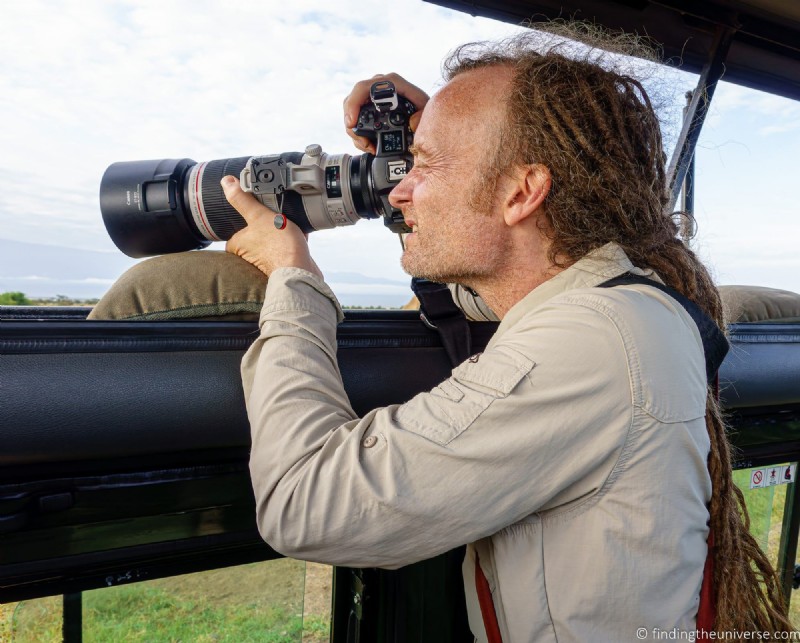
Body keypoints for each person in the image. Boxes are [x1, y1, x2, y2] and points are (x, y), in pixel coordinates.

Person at [220, 32, 792, 640]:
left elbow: (306, 505)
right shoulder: (622, 307)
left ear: (522, 192)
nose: (397, 191)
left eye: (426, 166)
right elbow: (470, 299)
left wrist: (292, 276)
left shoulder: (594, 338)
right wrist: (442, 140)